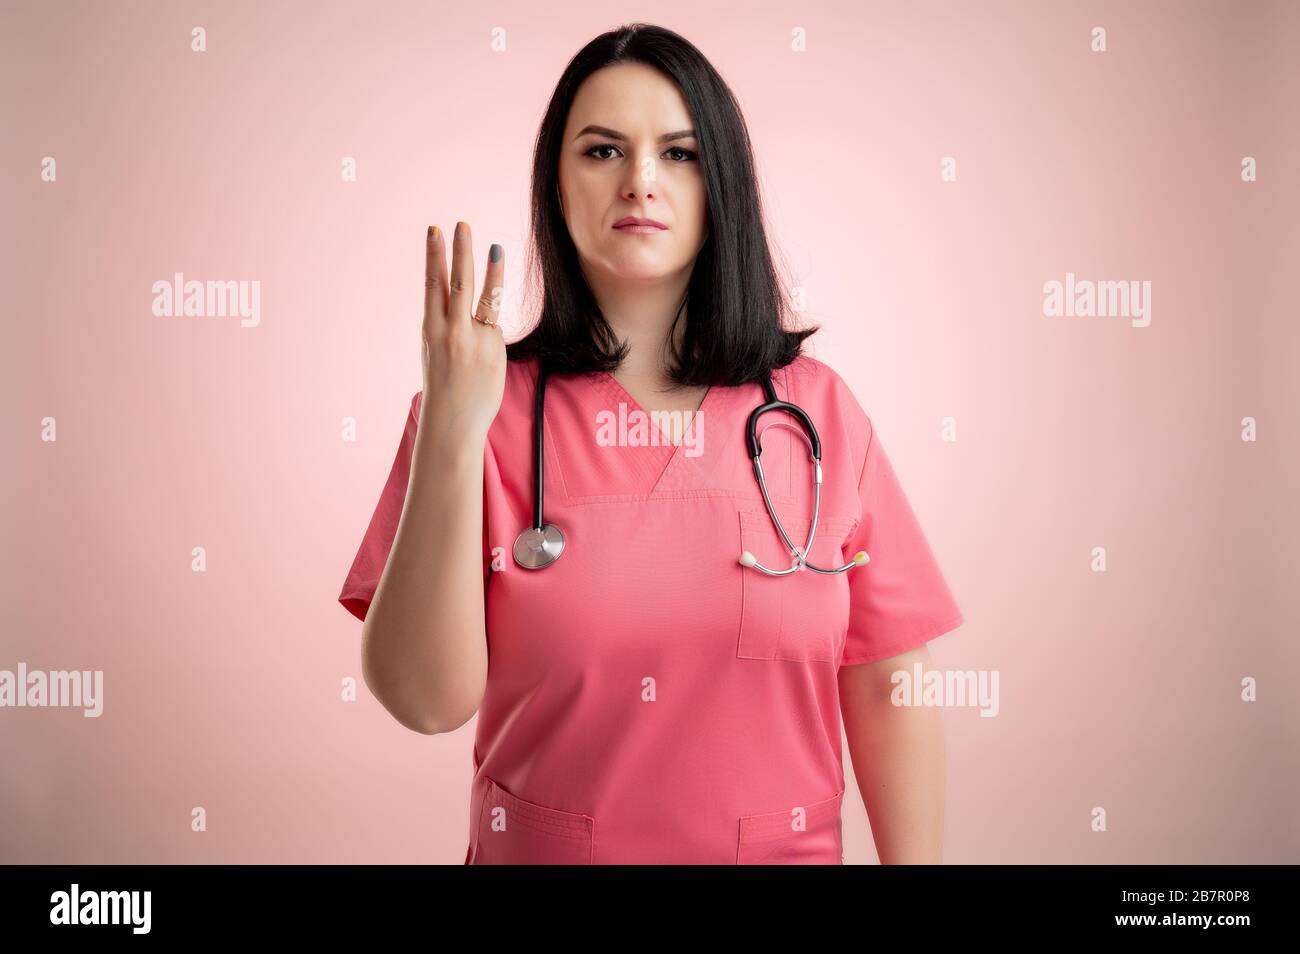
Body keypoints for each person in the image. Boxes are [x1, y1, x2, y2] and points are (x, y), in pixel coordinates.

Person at [338, 23, 964, 865]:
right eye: (601, 152)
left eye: (679, 153)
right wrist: (452, 429)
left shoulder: (818, 415)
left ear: (722, 186)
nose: (639, 181)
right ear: (554, 185)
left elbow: (890, 682)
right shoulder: (477, 414)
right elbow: (425, 700)